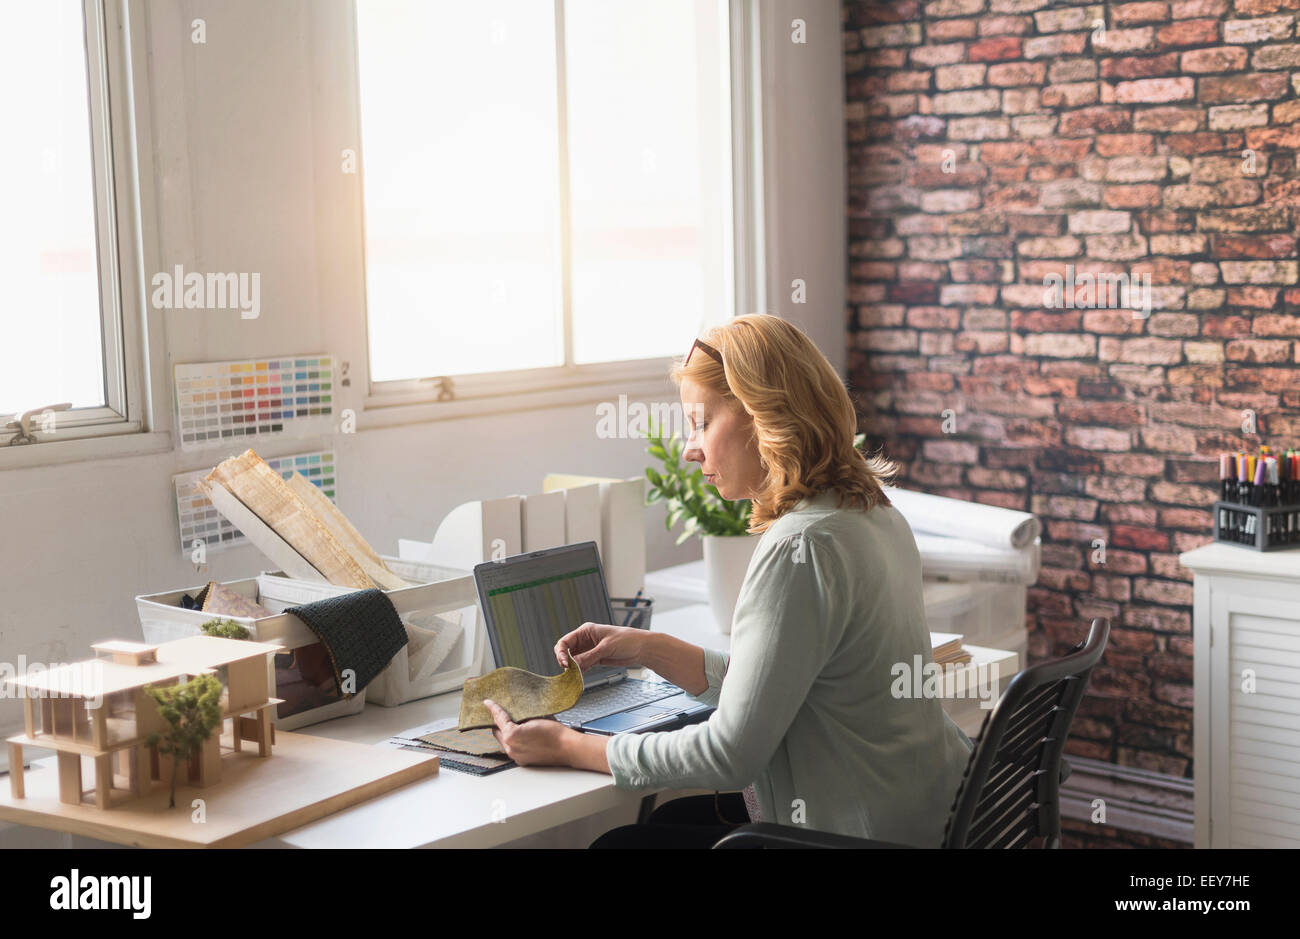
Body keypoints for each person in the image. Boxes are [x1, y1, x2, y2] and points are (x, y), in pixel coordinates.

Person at [481, 313, 974, 848]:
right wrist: (651, 647)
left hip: (849, 836)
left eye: (701, 422)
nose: (690, 449)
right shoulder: (873, 514)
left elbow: (729, 754)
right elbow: (779, 689)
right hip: (925, 819)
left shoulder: (796, 547)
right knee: (658, 828)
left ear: (765, 416)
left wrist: (568, 746)